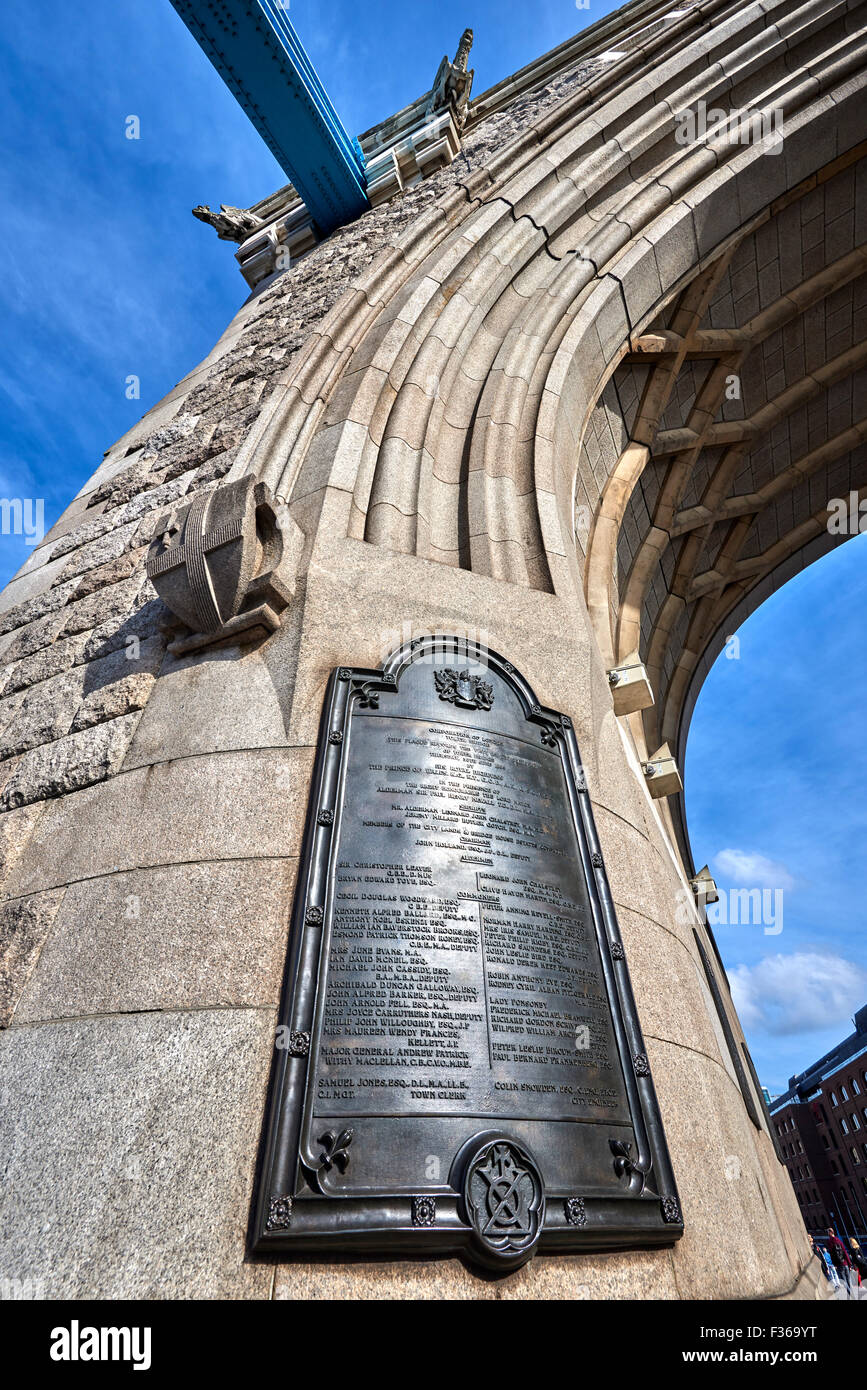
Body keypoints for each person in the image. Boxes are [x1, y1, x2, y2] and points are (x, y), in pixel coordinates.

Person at [827, 1227, 855, 1296]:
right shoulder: (839, 1240)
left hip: (839, 1265)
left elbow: (832, 1254)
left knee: (844, 1281)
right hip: (845, 1263)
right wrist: (849, 1264)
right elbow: (845, 1252)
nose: (827, 1234)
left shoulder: (830, 1242)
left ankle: (850, 1295)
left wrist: (834, 1264)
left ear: (830, 1233)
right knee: (848, 1281)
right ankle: (852, 1294)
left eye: (828, 1232)